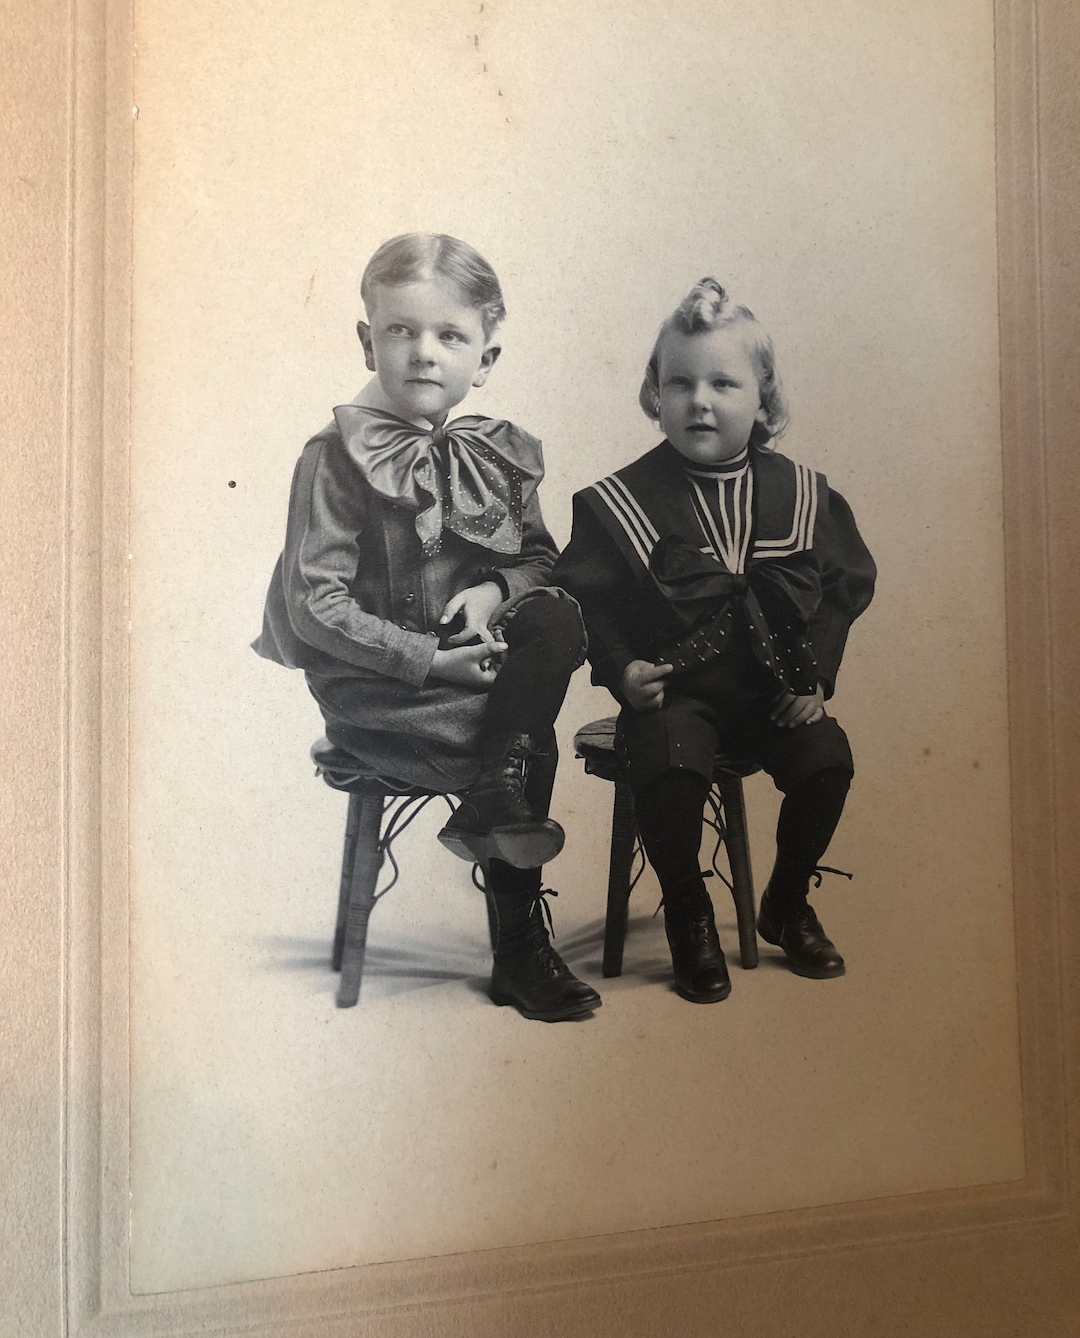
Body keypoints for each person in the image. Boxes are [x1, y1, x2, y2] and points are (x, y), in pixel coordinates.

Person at [254, 233, 600, 1022]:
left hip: (478, 669)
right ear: (366, 337)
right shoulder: (336, 457)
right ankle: (520, 942)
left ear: (486, 356)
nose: (423, 353)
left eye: (450, 335)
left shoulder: (495, 453)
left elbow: (543, 560)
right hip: (382, 690)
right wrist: (430, 663)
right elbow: (316, 607)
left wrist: (491, 589)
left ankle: (498, 814)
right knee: (523, 735)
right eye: (401, 330)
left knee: (558, 618)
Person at [553, 278, 875, 1003]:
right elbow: (587, 603)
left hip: (771, 691)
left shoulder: (804, 493)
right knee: (668, 768)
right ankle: (690, 914)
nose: (700, 400)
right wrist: (621, 667)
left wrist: (813, 679)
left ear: (763, 398)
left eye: (723, 382)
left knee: (827, 761)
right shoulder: (618, 501)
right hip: (677, 694)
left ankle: (786, 902)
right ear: (654, 395)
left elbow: (842, 588)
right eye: (680, 382)